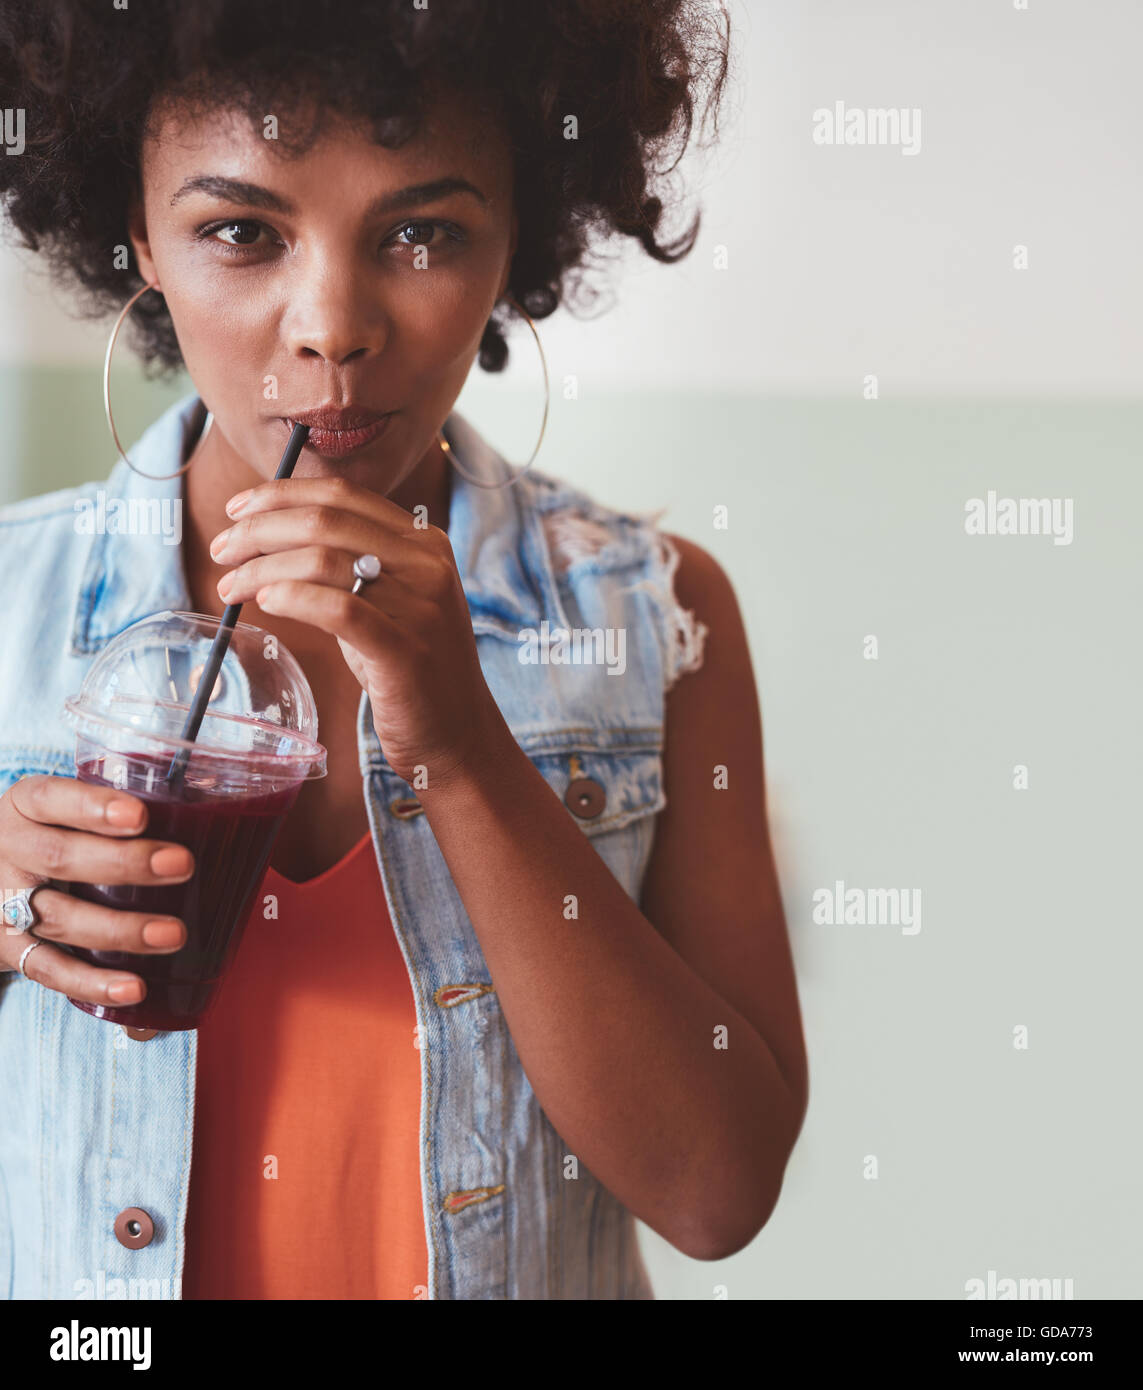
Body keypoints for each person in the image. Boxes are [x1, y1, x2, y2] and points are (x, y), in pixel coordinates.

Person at [0, 0, 807, 1300]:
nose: (332, 326)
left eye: (421, 231)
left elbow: (718, 1193)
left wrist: (464, 743)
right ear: (137, 233)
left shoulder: (660, 620)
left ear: (518, 241)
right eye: (242, 232)